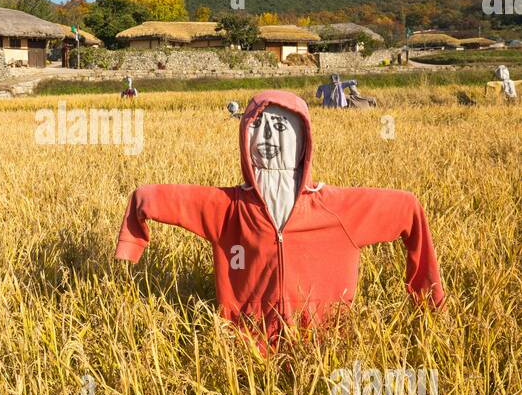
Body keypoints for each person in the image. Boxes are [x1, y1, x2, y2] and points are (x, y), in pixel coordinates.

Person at [114, 88, 443, 346]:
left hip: (326, 350)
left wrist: (428, 298)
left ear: (303, 138)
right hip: (246, 353)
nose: (268, 136)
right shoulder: (227, 208)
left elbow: (408, 209)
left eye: (280, 126)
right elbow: (147, 197)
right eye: (258, 125)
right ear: (244, 136)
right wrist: (132, 243)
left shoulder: (339, 208)